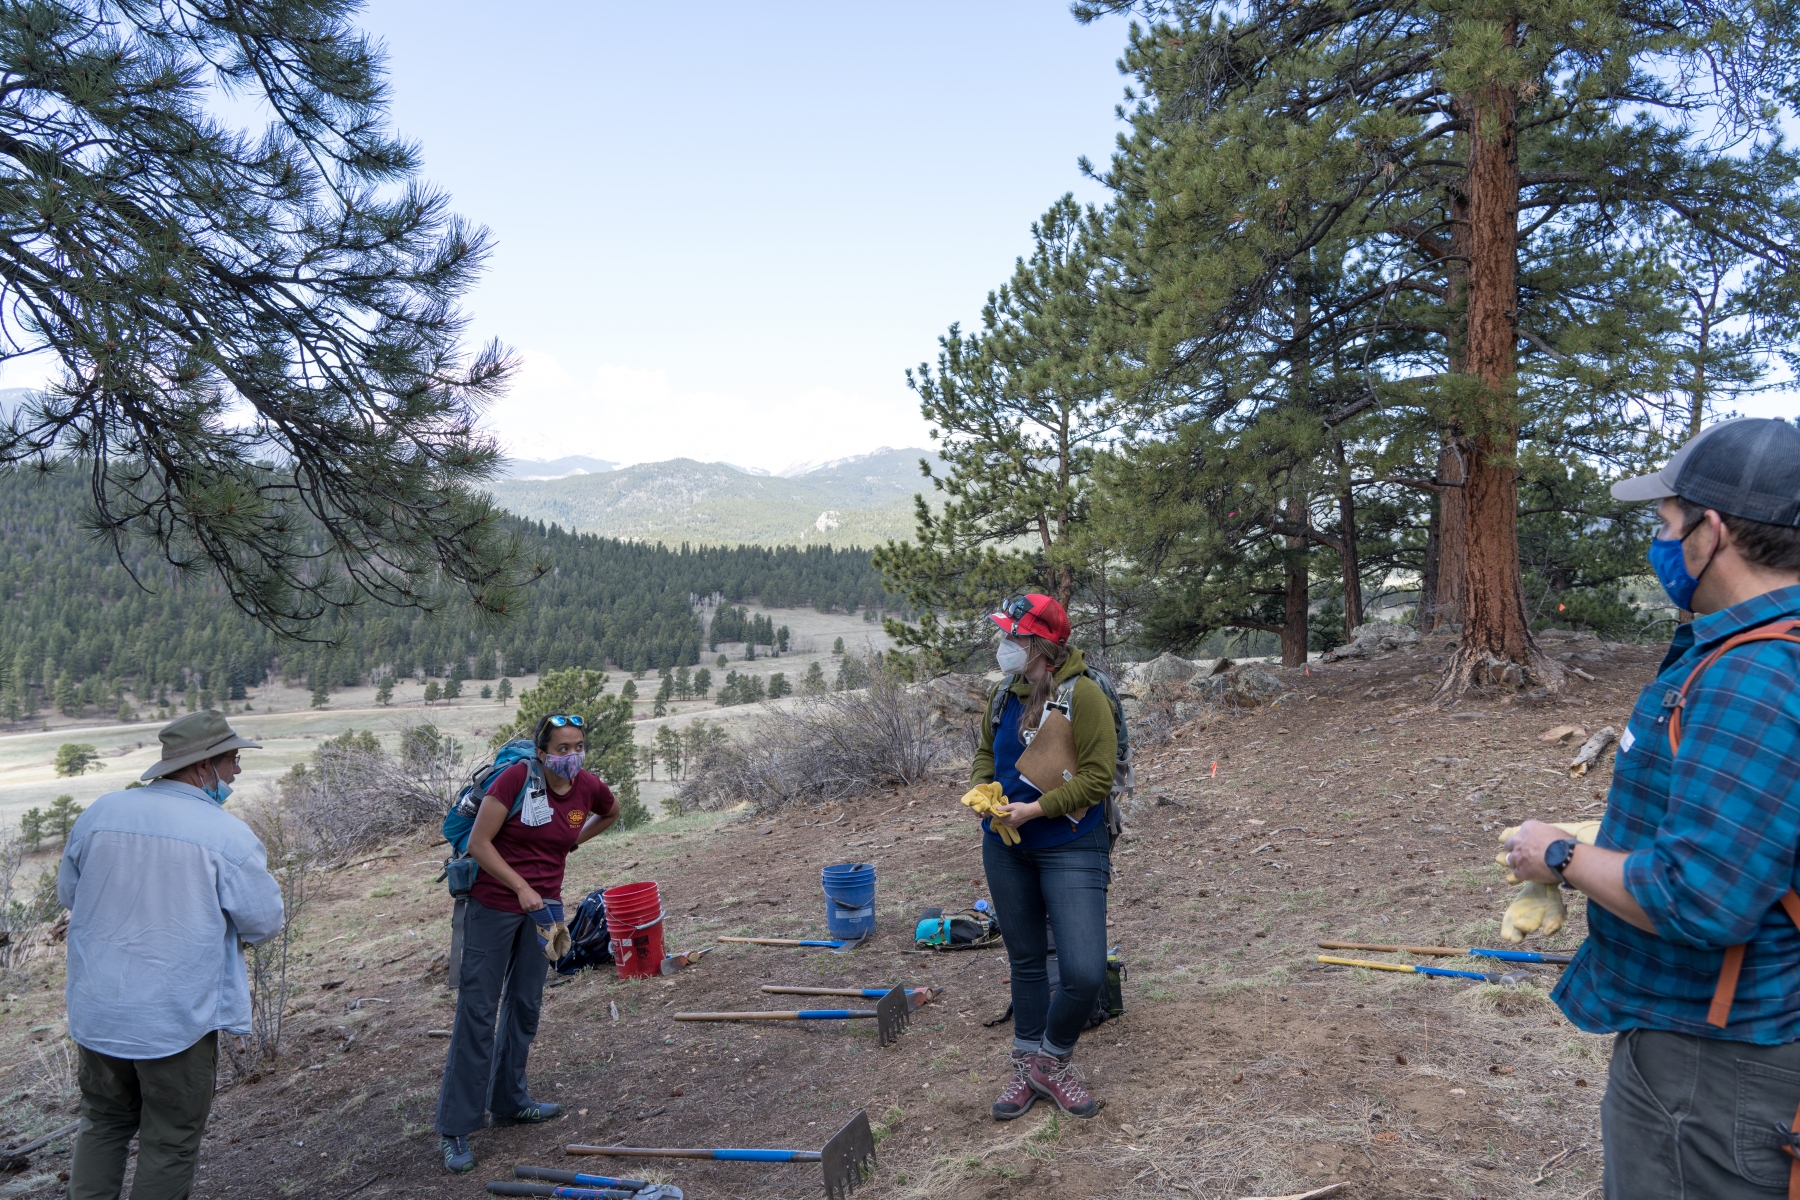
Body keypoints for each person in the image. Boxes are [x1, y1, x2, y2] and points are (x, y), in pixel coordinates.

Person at [1503, 417, 1800, 1199]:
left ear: (1715, 530)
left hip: (1714, 1065)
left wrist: (1559, 856)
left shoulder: (1753, 677)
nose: (1660, 542)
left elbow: (1698, 899)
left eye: (1667, 523)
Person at [58, 710, 283, 1200]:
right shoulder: (226, 836)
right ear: (203, 767)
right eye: (233, 760)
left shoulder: (100, 813)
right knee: (171, 1140)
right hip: (173, 1018)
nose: (237, 772)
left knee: (102, 1123)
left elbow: (72, 894)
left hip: (97, 1009)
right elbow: (264, 923)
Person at [436, 712, 619, 1173]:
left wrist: (573, 841)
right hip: (494, 904)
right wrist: (520, 886)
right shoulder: (515, 779)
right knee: (478, 1009)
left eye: (577, 746)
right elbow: (479, 842)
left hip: (545, 910)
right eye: (561, 748)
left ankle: (510, 1100)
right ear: (542, 752)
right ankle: (455, 1127)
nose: (571, 755)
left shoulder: (587, 786)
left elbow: (611, 812)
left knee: (525, 1002)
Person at [969, 593, 1117, 1121]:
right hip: (1005, 846)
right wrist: (981, 791)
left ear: (1040, 644)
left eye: (1013, 636)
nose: (1003, 645)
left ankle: (1049, 1061)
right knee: (1027, 960)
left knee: (1083, 970)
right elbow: (986, 752)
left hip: (1071, 844)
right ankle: (1029, 1062)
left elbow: (1101, 778)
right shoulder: (1005, 693)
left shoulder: (1085, 694)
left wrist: (1036, 809)